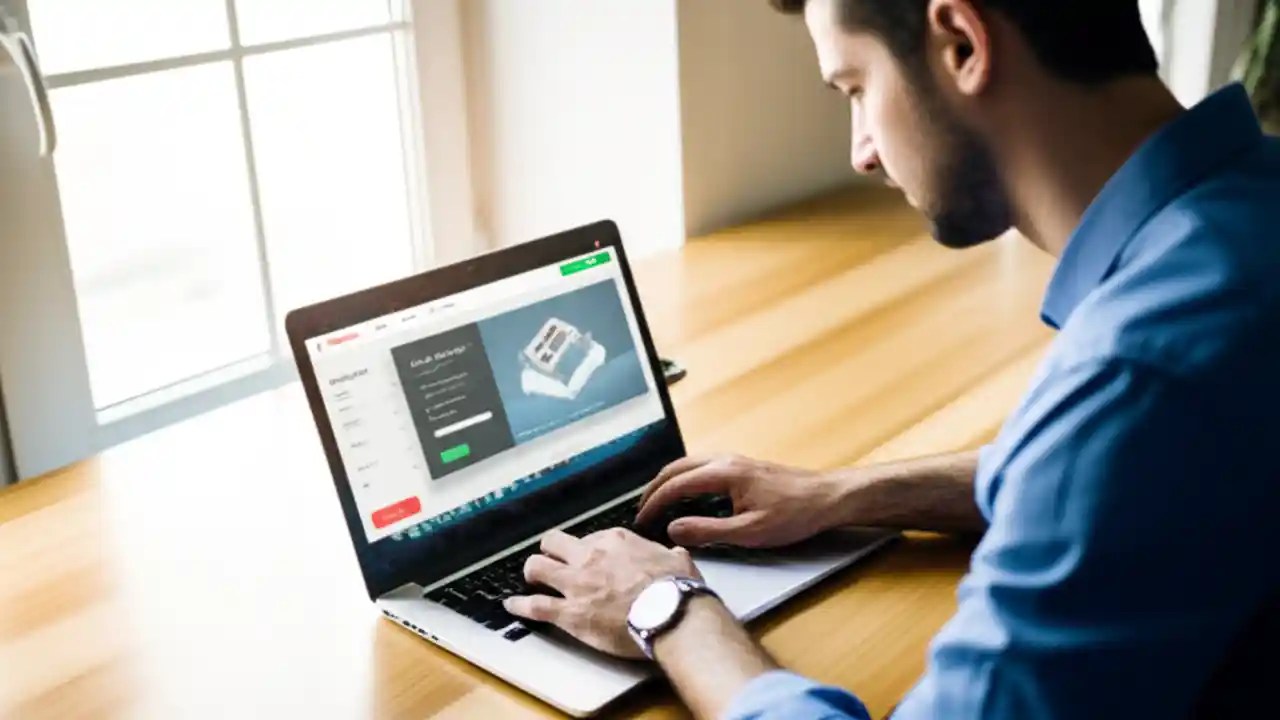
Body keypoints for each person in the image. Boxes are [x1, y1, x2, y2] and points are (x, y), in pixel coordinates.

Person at [503, 0, 1280, 716]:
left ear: (961, 43)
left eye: (854, 87)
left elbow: (1119, 446)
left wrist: (667, 608)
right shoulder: (1248, 214)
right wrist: (845, 495)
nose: (862, 152)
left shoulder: (1140, 374)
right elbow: (1132, 479)